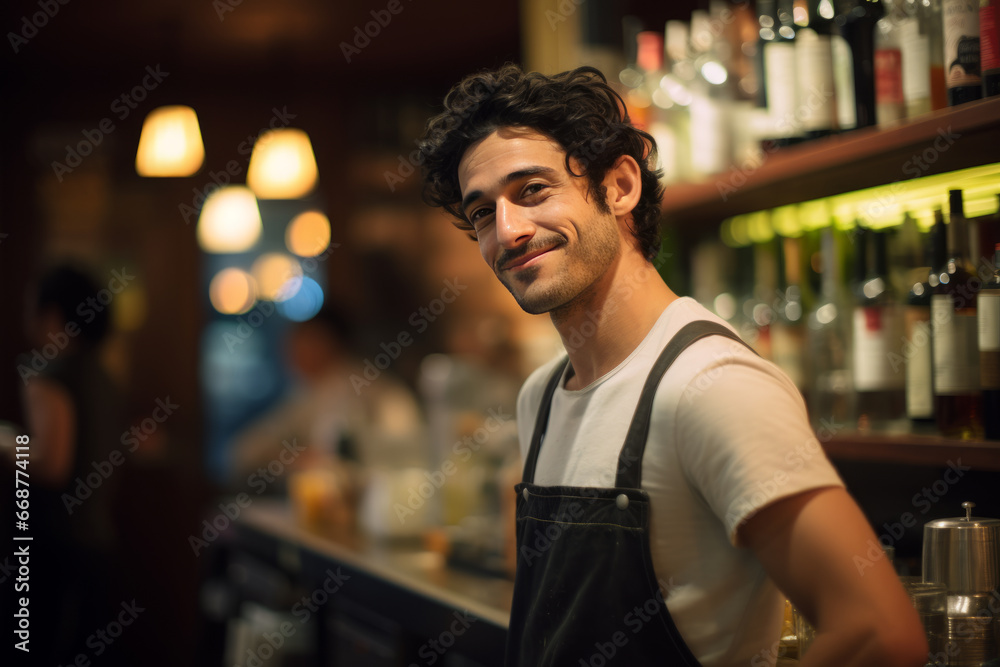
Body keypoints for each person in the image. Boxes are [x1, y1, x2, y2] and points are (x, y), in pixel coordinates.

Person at [418, 64, 927, 666]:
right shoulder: (543, 397)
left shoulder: (710, 385)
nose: (508, 231)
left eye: (533, 190)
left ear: (620, 186)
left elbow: (878, 632)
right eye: (482, 213)